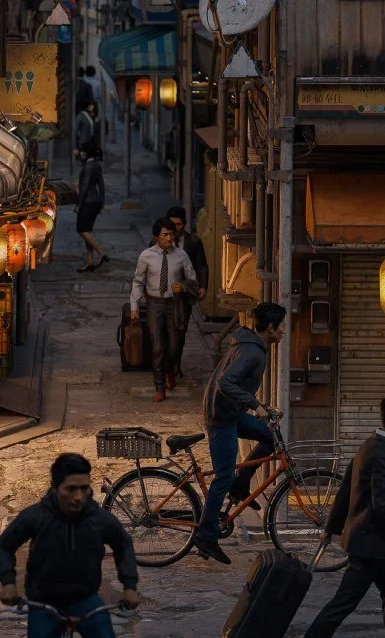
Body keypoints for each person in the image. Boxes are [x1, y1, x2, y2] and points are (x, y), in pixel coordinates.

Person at [304, 393, 385, 638]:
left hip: (373, 543)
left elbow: (345, 490)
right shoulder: (383, 454)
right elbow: (383, 507)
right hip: (370, 544)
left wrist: (330, 527)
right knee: (343, 603)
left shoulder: (371, 444)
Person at [0, 453, 140, 638]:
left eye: (84, 488)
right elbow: (5, 546)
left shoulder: (98, 518)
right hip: (44, 601)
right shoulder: (37, 516)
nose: (79, 496)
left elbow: (123, 544)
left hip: (85, 598)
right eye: (70, 489)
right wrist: (8, 583)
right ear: (55, 488)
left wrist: (129, 586)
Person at [192, 301, 287, 564]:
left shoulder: (253, 347)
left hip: (230, 412)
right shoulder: (252, 352)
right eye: (282, 326)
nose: (284, 331)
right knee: (222, 476)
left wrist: (262, 408)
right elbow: (226, 382)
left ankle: (241, 484)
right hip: (221, 416)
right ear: (270, 327)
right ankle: (206, 536)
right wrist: (256, 405)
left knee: (270, 436)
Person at [129, 219, 198, 403]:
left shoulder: (181, 255)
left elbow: (193, 280)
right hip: (154, 304)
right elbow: (138, 281)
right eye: (165, 235)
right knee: (157, 346)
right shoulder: (146, 256)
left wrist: (182, 287)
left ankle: (170, 369)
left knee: (174, 347)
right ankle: (159, 387)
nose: (169, 238)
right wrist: (134, 306)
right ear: (156, 237)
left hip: (174, 305)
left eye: (172, 234)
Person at [150, 207, 208, 376]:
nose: (177, 228)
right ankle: (165, 369)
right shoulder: (157, 242)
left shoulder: (193, 242)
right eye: (173, 224)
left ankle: (174, 364)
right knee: (161, 334)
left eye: (180, 224)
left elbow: (201, 266)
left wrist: (202, 286)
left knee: (179, 331)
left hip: (183, 293)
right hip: (161, 295)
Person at [75, 146, 107, 272]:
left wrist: (78, 204)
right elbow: (102, 186)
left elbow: (85, 187)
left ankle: (101, 253)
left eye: (83, 151)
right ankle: (90, 261)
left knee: (82, 230)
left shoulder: (89, 167)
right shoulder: (96, 165)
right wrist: (102, 204)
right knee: (87, 231)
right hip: (95, 201)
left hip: (87, 202)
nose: (81, 153)